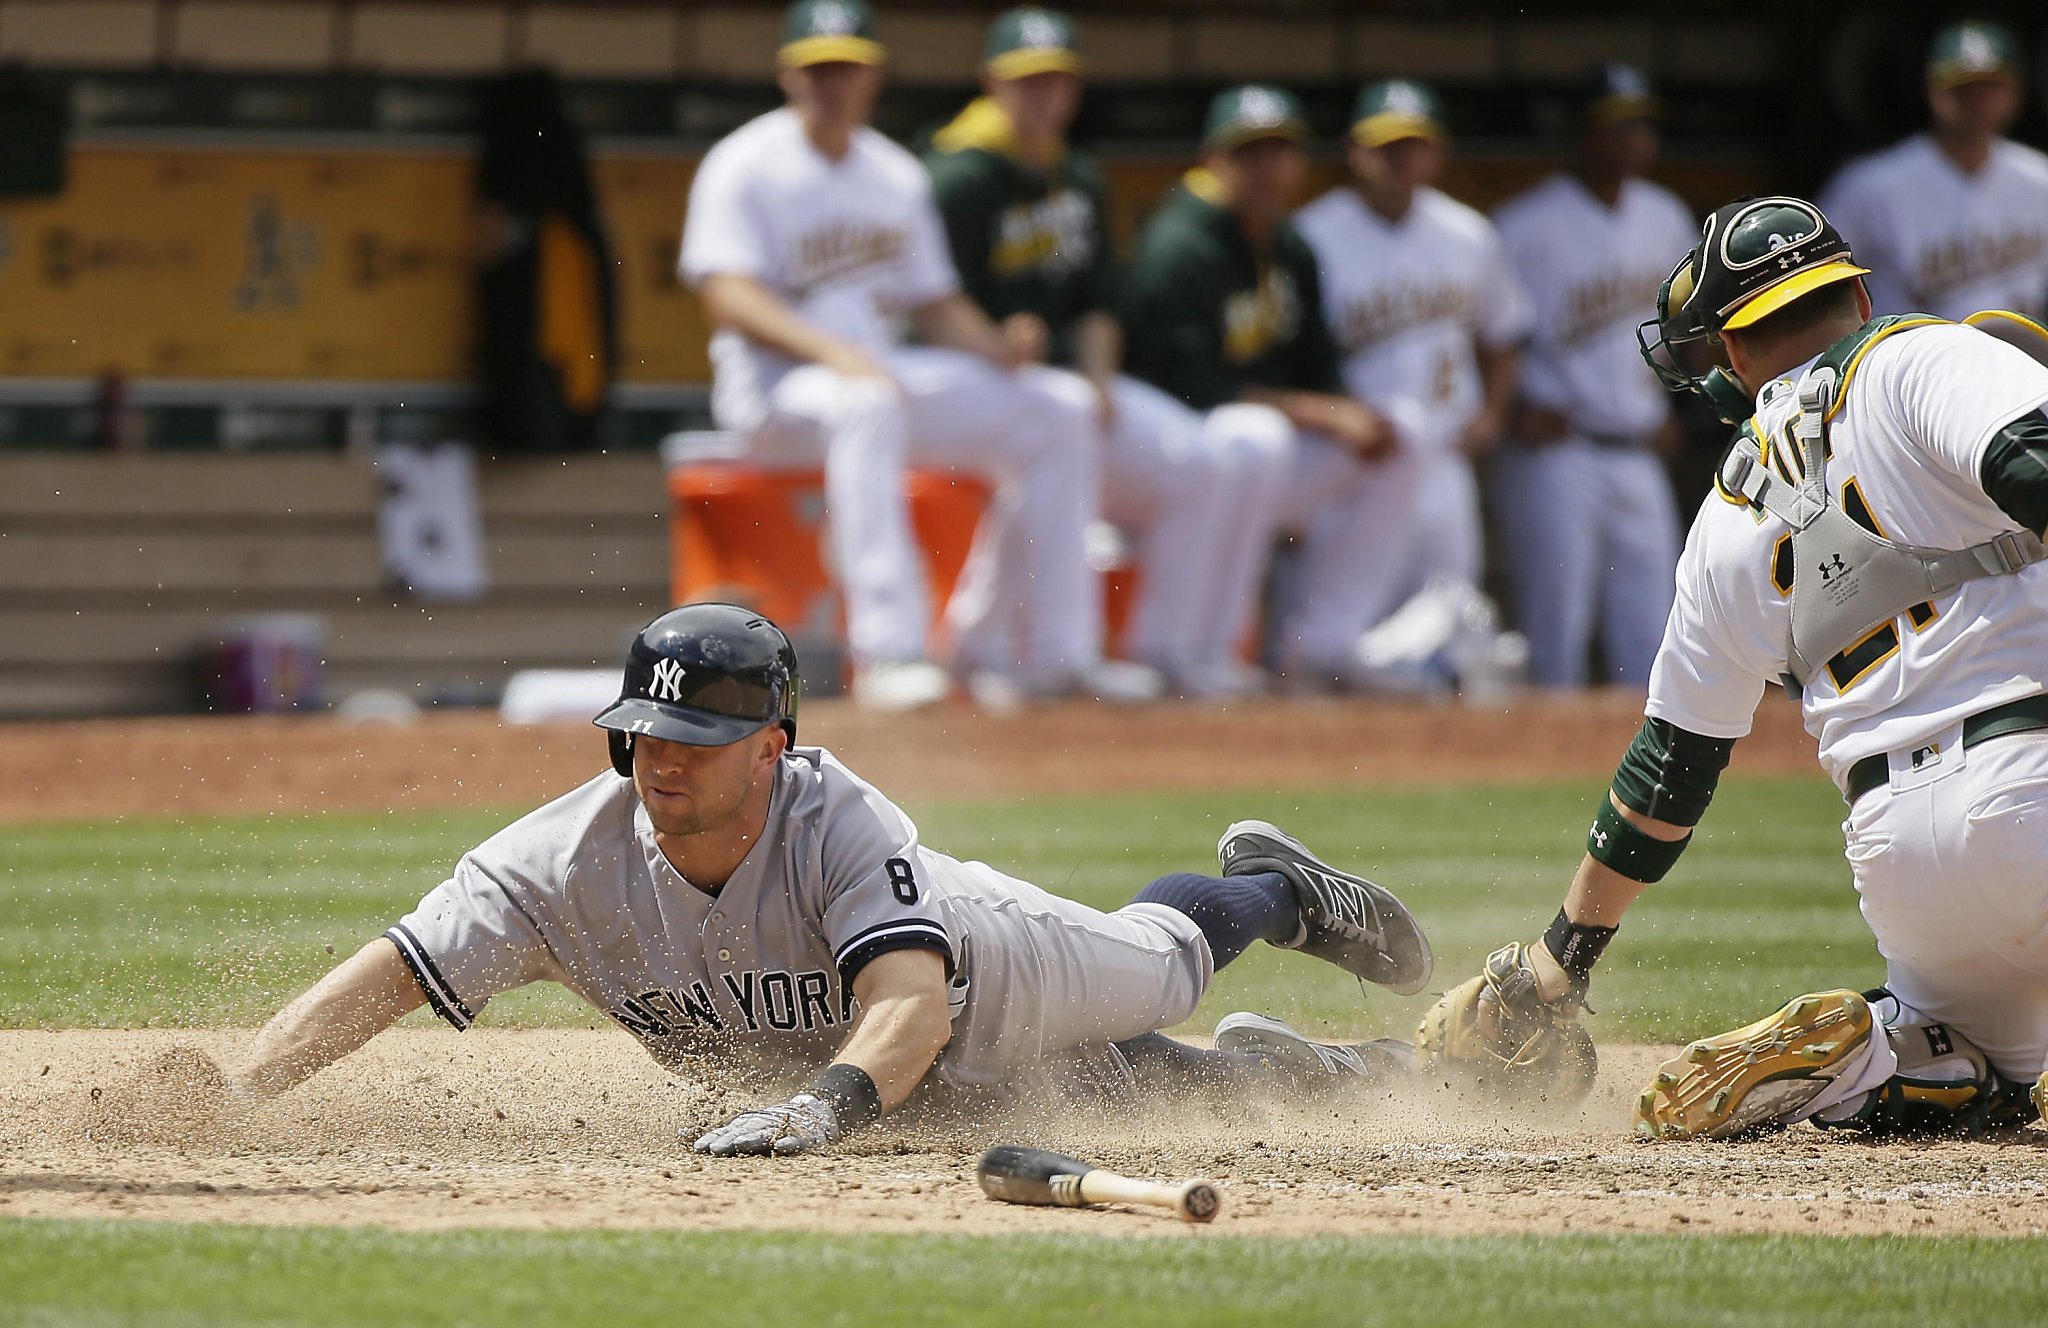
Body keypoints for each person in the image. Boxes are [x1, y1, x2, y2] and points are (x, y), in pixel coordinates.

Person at [230, 604, 1435, 1154]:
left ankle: (1278, 889)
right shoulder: (557, 864)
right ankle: (1315, 1072)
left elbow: (911, 1004)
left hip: (994, 969)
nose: (659, 757)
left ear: (771, 745)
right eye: (643, 730)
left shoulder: (838, 818)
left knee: (1164, 966)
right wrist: (241, 1088)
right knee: (1158, 1099)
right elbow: (394, 973)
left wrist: (823, 1111)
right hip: (901, 1069)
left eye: (694, 738)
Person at [1418, 195, 2048, 1141]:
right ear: (1859, 290)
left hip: (1901, 864)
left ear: (1739, 352)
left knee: (1996, 1065)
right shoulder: (1925, 354)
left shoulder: (1725, 512)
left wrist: (1561, 962)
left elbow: (1669, 769)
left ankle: (1883, 1048)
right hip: (2032, 785)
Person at [678, 0, 1136, 710]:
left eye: (848, 68)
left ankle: (1048, 653)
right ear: (788, 75)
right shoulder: (744, 162)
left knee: (1058, 406)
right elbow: (727, 295)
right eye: (818, 68)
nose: (833, 83)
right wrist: (832, 352)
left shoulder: (894, 172)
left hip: (874, 379)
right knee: (868, 401)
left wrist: (994, 346)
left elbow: (933, 300)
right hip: (772, 393)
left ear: (875, 77)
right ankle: (890, 650)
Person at [924, 7, 1286, 698]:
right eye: (1026, 81)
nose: (1043, 95)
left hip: (1058, 379)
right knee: (1054, 425)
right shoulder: (958, 175)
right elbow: (929, 303)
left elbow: (1096, 306)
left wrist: (1099, 381)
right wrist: (995, 345)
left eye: (1056, 80)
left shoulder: (1080, 177)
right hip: (969, 374)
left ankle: (1165, 651)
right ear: (990, 83)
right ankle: (1023, 650)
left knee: (1198, 458)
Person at [1119, 85, 1412, 689]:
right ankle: (1194, 650)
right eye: (1249, 153)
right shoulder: (1181, 244)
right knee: (1256, 436)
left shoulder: (1290, 246)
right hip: (1162, 455)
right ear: (1212, 159)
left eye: (1280, 152)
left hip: (1251, 464)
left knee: (1405, 432)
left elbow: (1316, 368)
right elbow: (1194, 386)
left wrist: (1344, 413)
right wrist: (1322, 413)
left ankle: (1326, 644)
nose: (1267, 169)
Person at [1294, 79, 1531, 634]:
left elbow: (1505, 335)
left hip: (1443, 460)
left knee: (1446, 630)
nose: (1400, 159)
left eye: (1413, 144)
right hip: (1353, 462)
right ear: (1354, 152)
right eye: (1385, 145)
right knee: (1334, 637)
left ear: (1437, 153)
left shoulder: (1467, 233)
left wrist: (1493, 414)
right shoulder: (1311, 237)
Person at [1489, 64, 1697, 688]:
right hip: (1556, 451)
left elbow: (1691, 331)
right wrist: (1517, 406)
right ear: (1584, 135)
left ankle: (1646, 773)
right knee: (1557, 629)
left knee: (1655, 633)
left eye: (1642, 125)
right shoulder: (1522, 224)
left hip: (1635, 448)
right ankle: (1544, 764)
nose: (1634, 139)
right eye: (1617, 126)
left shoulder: (1666, 216)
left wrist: (1680, 408)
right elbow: (1495, 336)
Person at [1821, 21, 2048, 322]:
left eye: (1989, 86)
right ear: (1932, 91)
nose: (1977, 100)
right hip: (1912, 360)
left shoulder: (2039, 178)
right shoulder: (1870, 186)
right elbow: (1817, 280)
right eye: (1962, 88)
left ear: (2016, 93)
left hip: (2021, 357)